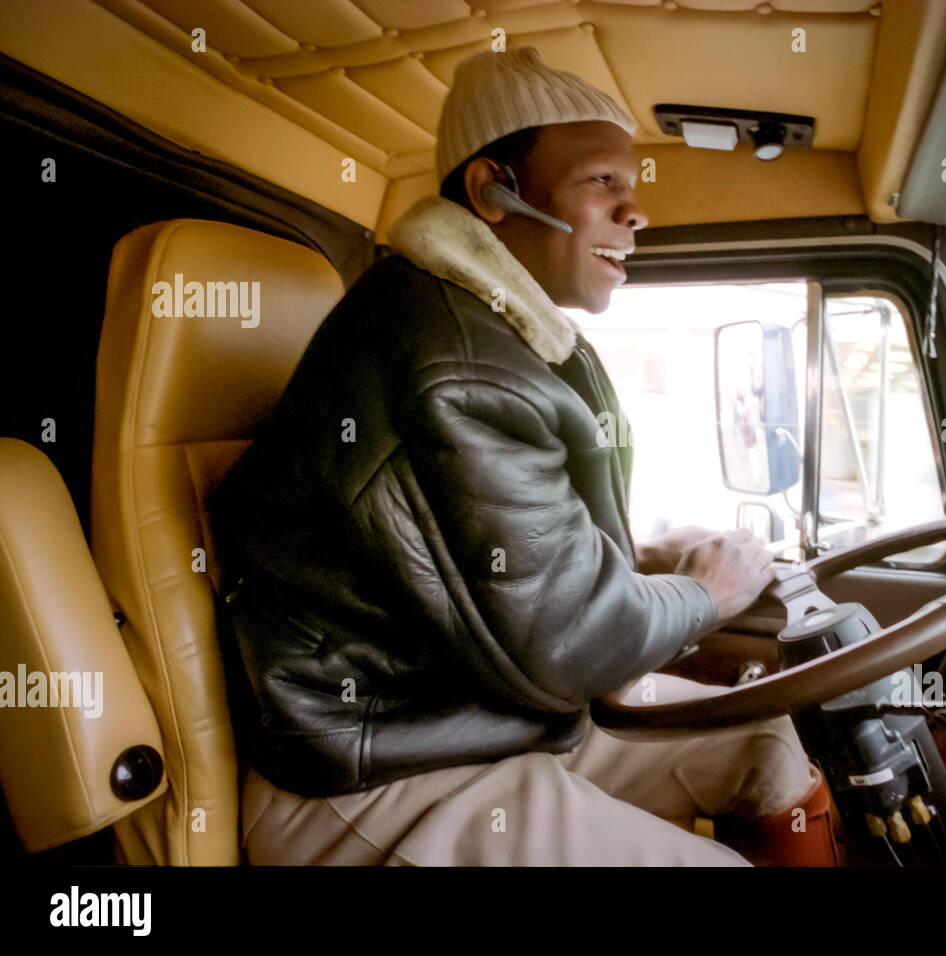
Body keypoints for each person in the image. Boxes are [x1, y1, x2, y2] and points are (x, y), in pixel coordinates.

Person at [212, 47, 836, 866]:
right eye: (601, 184)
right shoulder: (454, 363)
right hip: (376, 767)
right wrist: (704, 593)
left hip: (483, 712)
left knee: (768, 748)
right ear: (491, 192)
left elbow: (500, 557)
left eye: (632, 190)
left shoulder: (506, 336)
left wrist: (647, 555)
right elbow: (569, 643)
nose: (634, 213)